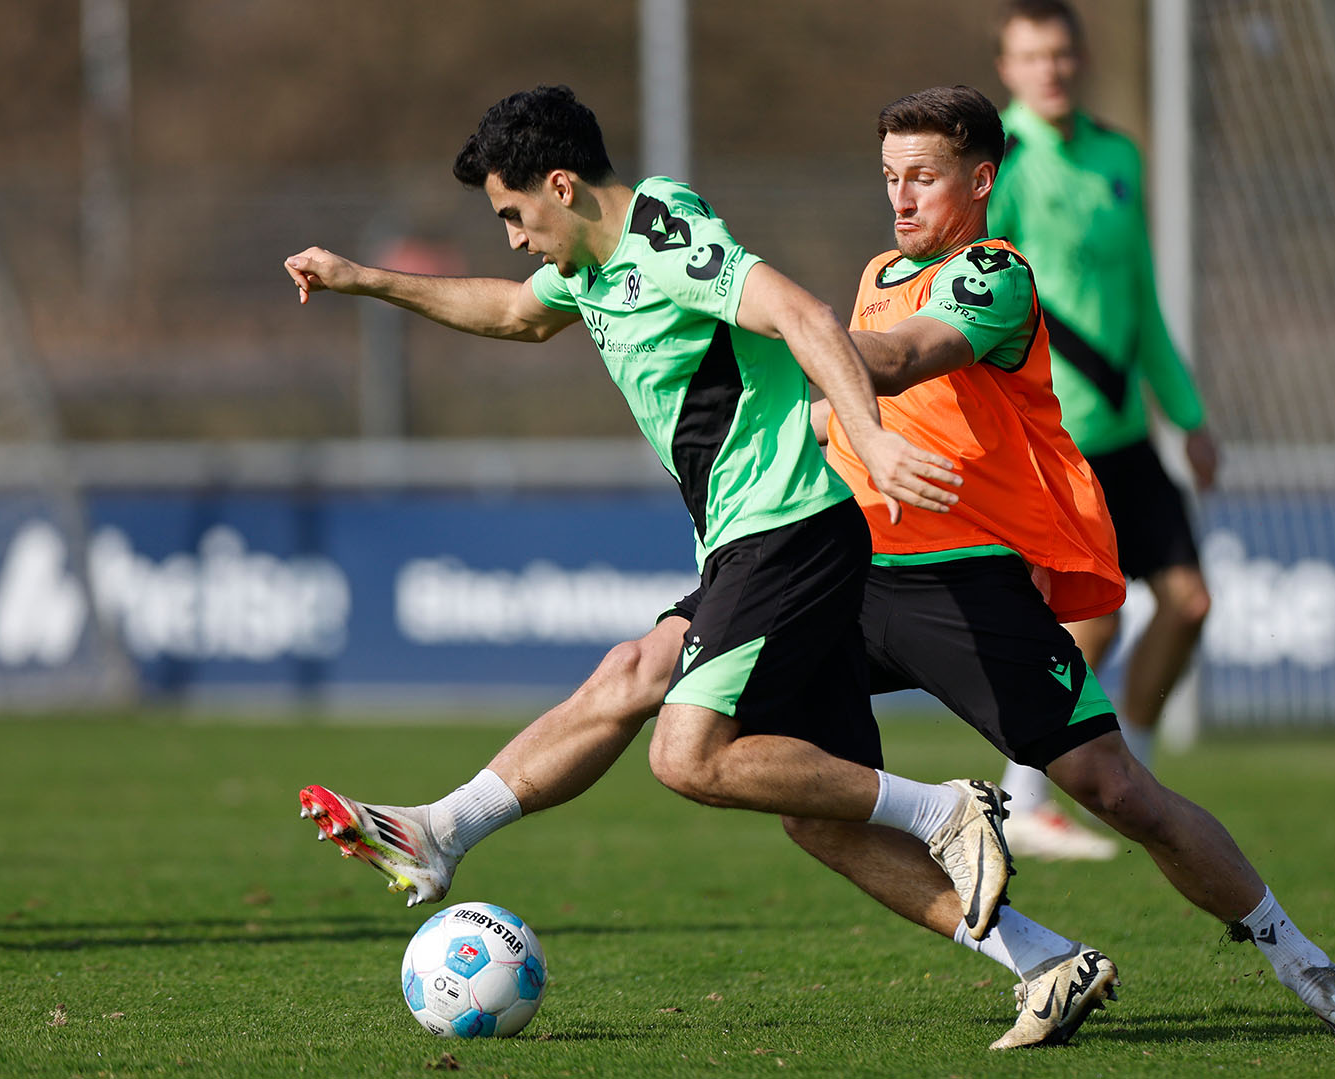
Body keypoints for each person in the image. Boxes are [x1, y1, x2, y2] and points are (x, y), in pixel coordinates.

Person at [286, 84, 1107, 1051]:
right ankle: (1048, 959)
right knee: (773, 779)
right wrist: (362, 278)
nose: (512, 237)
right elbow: (512, 312)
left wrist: (875, 443)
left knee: (688, 753)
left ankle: (946, 807)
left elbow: (800, 313)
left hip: (791, 525)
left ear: (561, 184)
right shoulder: (587, 266)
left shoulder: (665, 230)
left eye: (514, 214)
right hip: (745, 542)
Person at [985, 0, 1217, 859]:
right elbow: (974, 296)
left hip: (1127, 434)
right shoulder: (998, 164)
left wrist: (1187, 416)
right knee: (1093, 619)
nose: (1048, 67)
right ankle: (1025, 795)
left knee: (1190, 601)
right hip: (1053, 435)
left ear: (1077, 58)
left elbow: (1144, 305)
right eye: (1029, 55)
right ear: (1008, 68)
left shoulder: (1117, 153)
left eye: (1059, 52)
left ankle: (1135, 767)